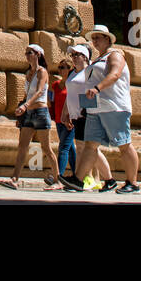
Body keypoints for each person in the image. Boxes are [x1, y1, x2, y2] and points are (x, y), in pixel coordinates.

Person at [80, 25, 140, 194]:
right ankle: (78, 180)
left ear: (108, 39)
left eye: (98, 37)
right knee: (90, 144)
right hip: (96, 108)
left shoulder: (115, 55)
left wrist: (97, 88)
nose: (95, 41)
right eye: (93, 38)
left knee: (124, 144)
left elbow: (114, 75)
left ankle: (133, 183)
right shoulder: (97, 59)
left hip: (115, 106)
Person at [0, 44, 59, 190]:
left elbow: (38, 92)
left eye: (29, 53)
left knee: (46, 148)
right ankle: (14, 179)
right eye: (26, 53)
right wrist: (22, 112)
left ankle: (57, 180)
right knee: (22, 147)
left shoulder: (42, 72)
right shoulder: (28, 73)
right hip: (29, 113)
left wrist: (25, 106)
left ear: (38, 54)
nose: (26, 55)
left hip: (41, 112)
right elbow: (27, 95)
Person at [50, 51, 80, 188]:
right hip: (58, 120)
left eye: (63, 67)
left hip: (70, 120)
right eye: (59, 68)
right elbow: (52, 101)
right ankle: (76, 175)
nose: (61, 70)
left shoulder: (73, 85)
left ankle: (58, 178)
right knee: (70, 148)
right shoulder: (55, 85)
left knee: (63, 148)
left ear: (70, 69)